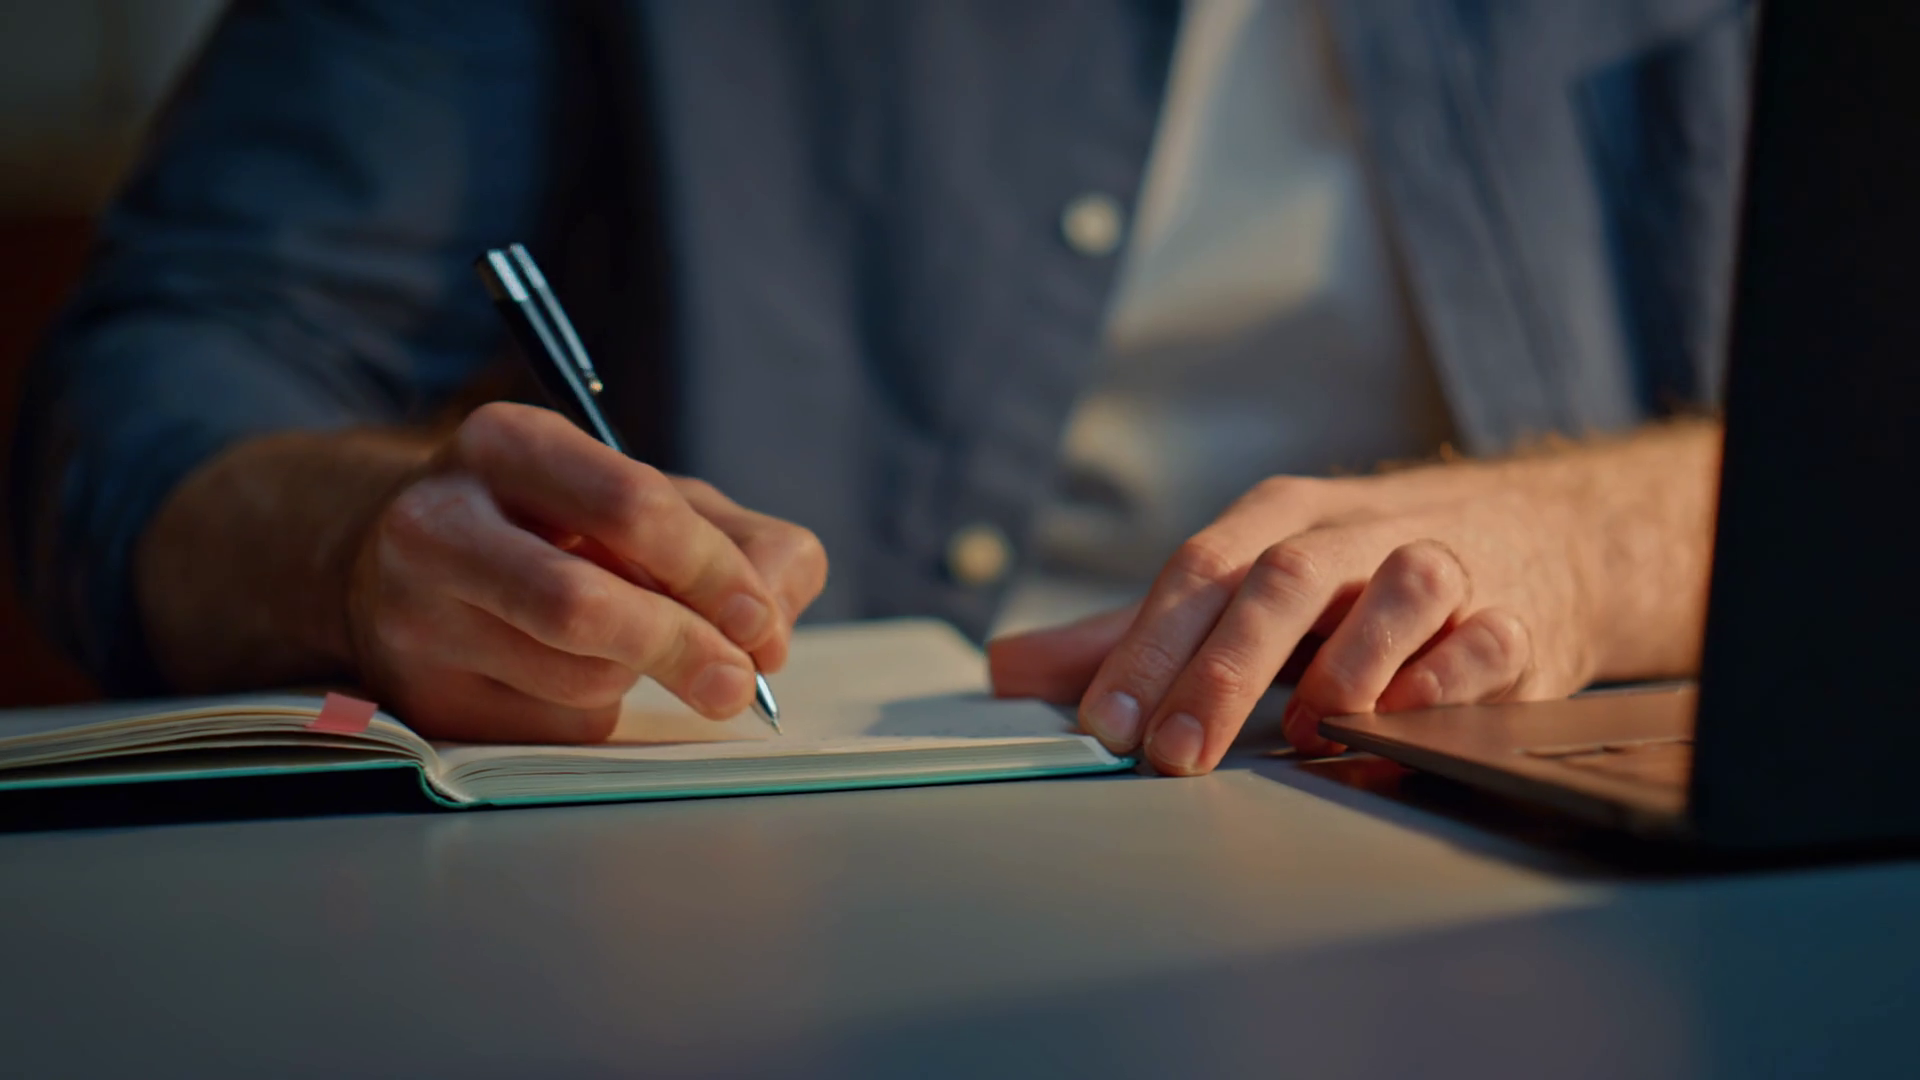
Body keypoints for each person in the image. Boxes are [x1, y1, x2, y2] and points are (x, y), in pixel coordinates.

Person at [10, 0, 1747, 775]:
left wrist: (1596, 545)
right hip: (759, 892)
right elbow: (155, 379)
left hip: (1507, 826)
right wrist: (355, 553)